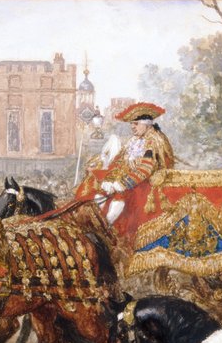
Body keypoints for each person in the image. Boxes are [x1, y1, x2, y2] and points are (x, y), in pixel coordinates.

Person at [74, 102, 176, 244]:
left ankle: (107, 232)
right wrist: (109, 178)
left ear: (146, 124)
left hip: (145, 184)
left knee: (120, 198)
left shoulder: (154, 141)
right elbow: (119, 162)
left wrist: (122, 183)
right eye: (131, 124)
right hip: (126, 179)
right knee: (98, 190)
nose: (132, 127)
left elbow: (146, 169)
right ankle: (98, 227)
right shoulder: (133, 141)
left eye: (135, 124)